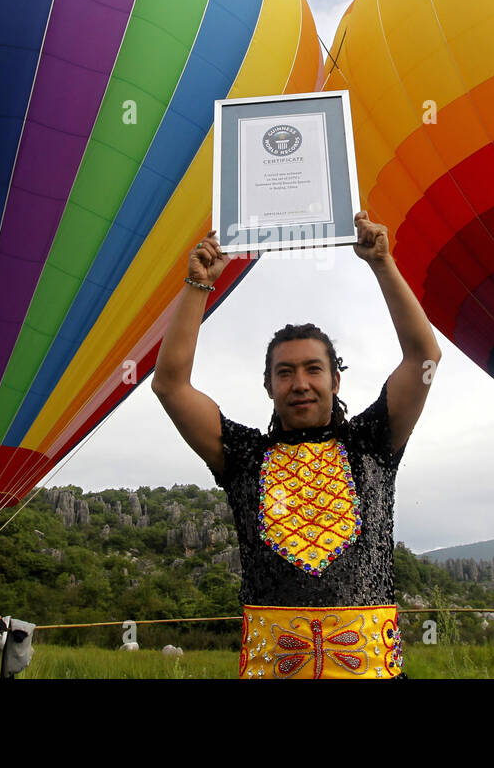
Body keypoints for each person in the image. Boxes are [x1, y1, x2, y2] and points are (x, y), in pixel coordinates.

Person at [153, 214, 441, 679]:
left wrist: (383, 264)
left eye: (313, 369)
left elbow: (425, 358)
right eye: (285, 373)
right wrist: (197, 285)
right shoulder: (244, 456)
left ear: (335, 379)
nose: (300, 383)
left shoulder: (371, 443)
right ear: (269, 386)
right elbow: (169, 385)